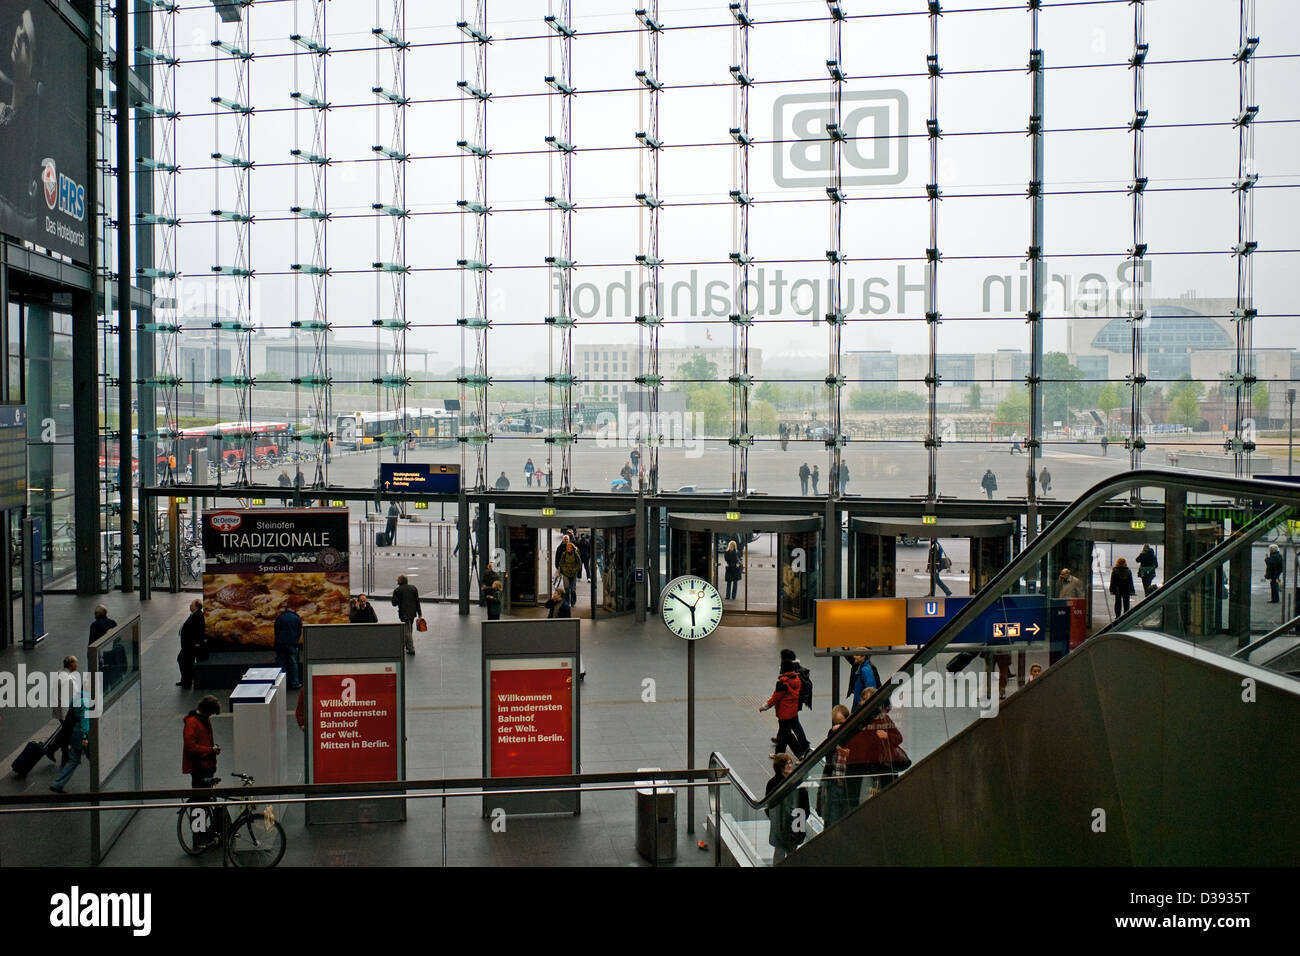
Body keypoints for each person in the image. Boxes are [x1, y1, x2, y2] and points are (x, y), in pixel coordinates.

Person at [758, 649, 810, 759]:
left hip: (784, 714)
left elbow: (775, 698)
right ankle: (779, 754)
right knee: (784, 733)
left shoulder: (782, 683)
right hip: (793, 711)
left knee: (787, 735)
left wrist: (764, 707)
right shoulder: (796, 679)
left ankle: (801, 754)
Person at [48, 670, 90, 794]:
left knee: (73, 760)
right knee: (96, 757)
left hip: (73, 734)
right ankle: (99, 783)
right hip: (82, 736)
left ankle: (58, 784)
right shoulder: (86, 702)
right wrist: (85, 737)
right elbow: (84, 721)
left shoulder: (77, 698)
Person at [764, 754, 809, 864]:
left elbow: (804, 803)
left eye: (790, 763)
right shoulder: (777, 783)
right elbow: (769, 805)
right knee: (783, 851)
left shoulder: (795, 781)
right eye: (786, 764)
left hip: (793, 821)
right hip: (782, 822)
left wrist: (803, 817)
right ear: (780, 767)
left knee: (790, 850)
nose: (789, 766)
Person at [817, 705, 853, 828]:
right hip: (834, 781)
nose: (838, 725)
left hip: (848, 782)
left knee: (846, 815)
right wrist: (834, 735)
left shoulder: (852, 732)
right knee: (832, 817)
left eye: (841, 723)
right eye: (836, 723)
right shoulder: (832, 732)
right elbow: (827, 753)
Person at [47, 656, 81, 767]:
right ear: (71, 665)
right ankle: (64, 758)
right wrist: (67, 716)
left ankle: (52, 750)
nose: (77, 665)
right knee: (67, 735)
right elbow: (67, 700)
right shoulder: (67, 680)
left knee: (65, 733)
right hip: (66, 713)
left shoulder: (61, 673)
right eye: (76, 663)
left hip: (62, 711)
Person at [182, 695, 222, 789]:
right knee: (201, 795)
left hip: (206, 765)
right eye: (211, 713)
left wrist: (212, 749)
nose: (210, 715)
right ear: (206, 711)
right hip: (199, 766)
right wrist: (211, 750)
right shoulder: (192, 723)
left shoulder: (203, 719)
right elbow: (190, 747)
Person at [273, 603, 303, 689]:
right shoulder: (296, 618)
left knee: (282, 664)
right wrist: (296, 641)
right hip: (292, 643)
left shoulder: (280, 618)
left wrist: (276, 643)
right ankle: (295, 682)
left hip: (281, 643)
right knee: (293, 663)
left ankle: (282, 684)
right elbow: (299, 631)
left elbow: (276, 631)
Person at [177, 599, 205, 689]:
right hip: (188, 644)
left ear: (196, 606)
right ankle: (187, 680)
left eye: (191, 604)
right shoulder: (196, 614)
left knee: (183, 660)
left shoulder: (197, 615)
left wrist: (197, 642)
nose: (190, 606)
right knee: (186, 662)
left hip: (190, 645)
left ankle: (187, 681)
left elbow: (200, 630)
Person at [391, 574, 422, 655]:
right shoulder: (413, 588)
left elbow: (394, 603)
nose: (396, 580)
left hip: (404, 613)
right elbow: (417, 601)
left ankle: (411, 648)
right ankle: (406, 646)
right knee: (409, 629)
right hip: (412, 612)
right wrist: (420, 614)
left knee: (407, 631)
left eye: (397, 579)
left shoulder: (397, 590)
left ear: (401, 581)